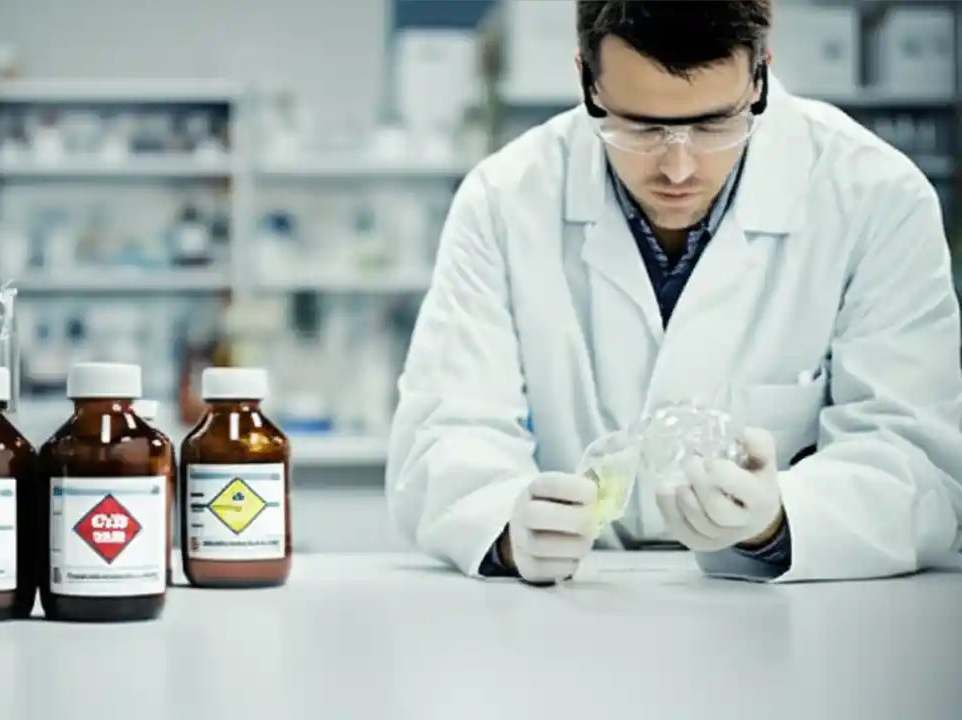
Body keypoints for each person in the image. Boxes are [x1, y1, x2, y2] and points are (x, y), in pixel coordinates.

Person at [385, 0, 962, 584]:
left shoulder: (876, 198)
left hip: (781, 617)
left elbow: (918, 464)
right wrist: (510, 529)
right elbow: (445, 435)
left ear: (760, 72)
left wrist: (779, 521)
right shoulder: (505, 199)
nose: (679, 168)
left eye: (714, 124)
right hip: (573, 607)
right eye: (641, 127)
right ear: (586, 77)